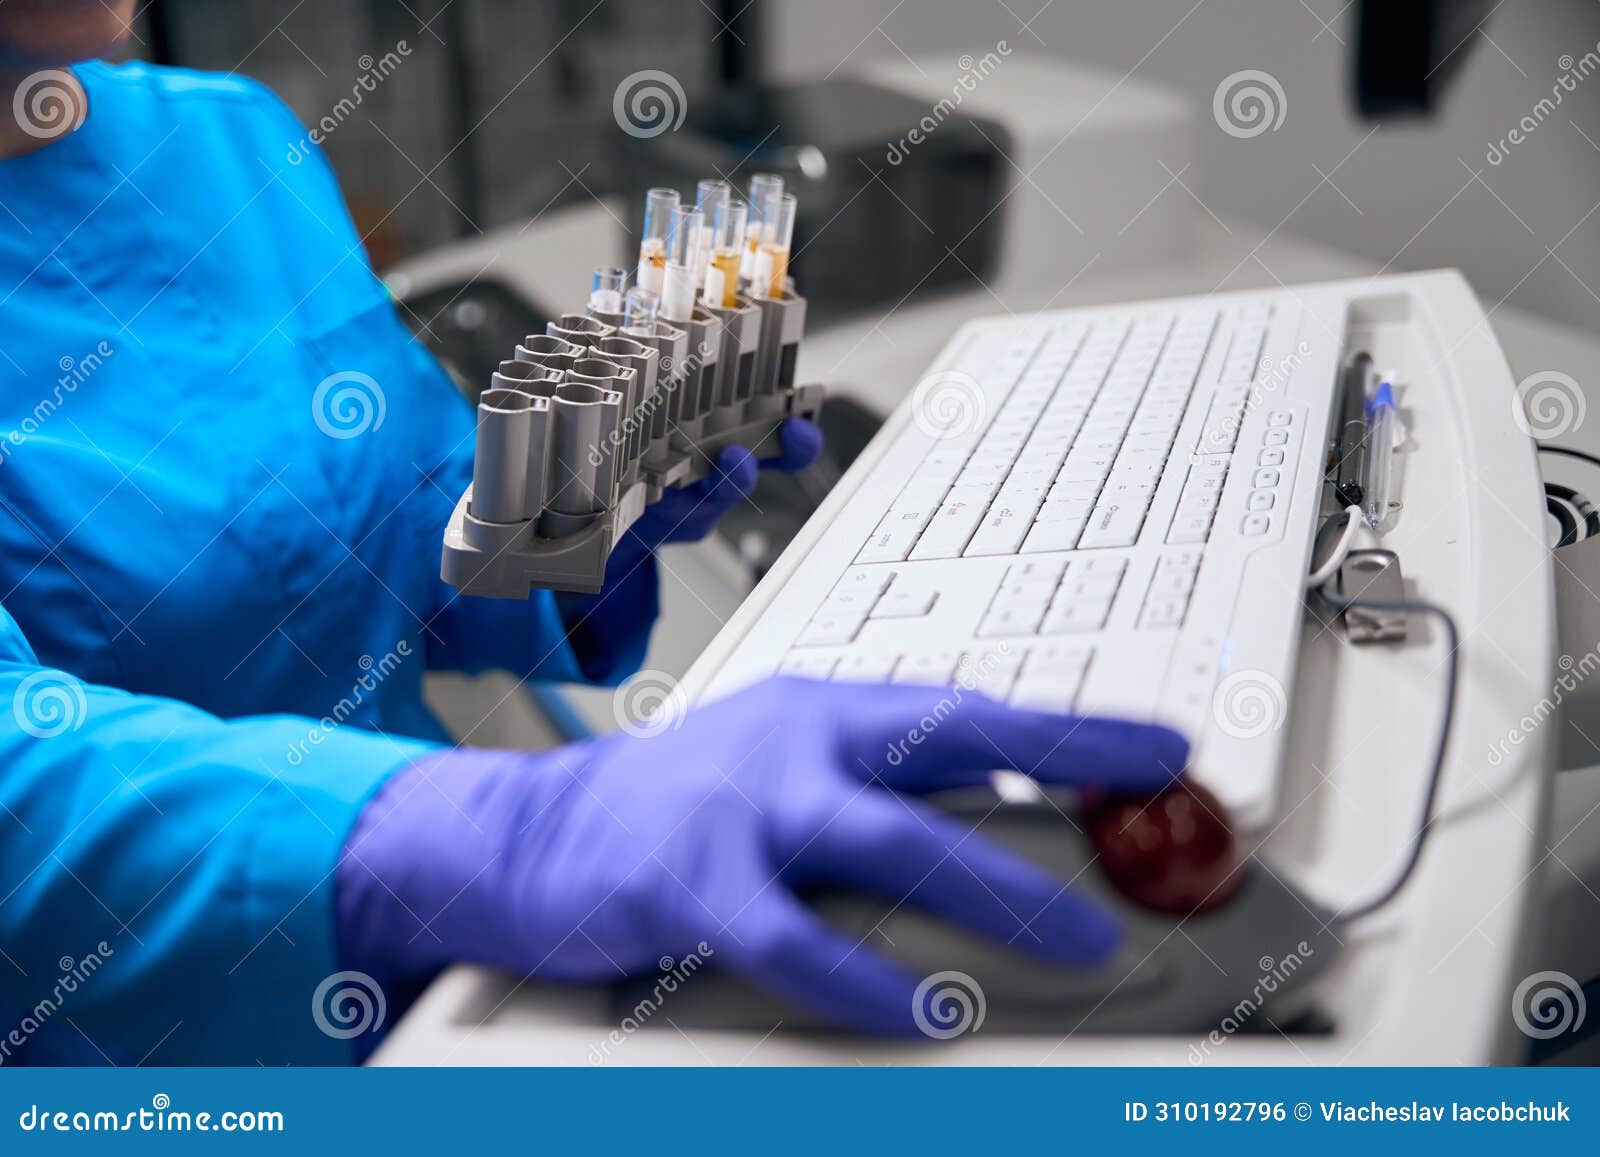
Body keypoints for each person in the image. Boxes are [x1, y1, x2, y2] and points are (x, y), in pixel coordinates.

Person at [0, 3, 1188, 1064]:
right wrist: (512, 833)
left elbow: (384, 533)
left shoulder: (223, 137)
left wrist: (578, 513)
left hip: (466, 928)